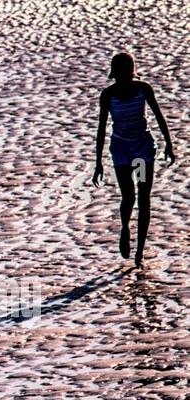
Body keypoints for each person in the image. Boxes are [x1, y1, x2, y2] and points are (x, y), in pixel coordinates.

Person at [92, 52, 175, 267]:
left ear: (131, 73)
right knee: (128, 196)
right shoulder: (108, 95)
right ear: (114, 74)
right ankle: (125, 228)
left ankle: (139, 251)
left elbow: (158, 116)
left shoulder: (143, 89)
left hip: (143, 150)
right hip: (121, 150)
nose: (122, 78)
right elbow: (101, 128)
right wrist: (98, 162)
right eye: (118, 74)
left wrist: (169, 144)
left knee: (144, 197)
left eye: (124, 74)